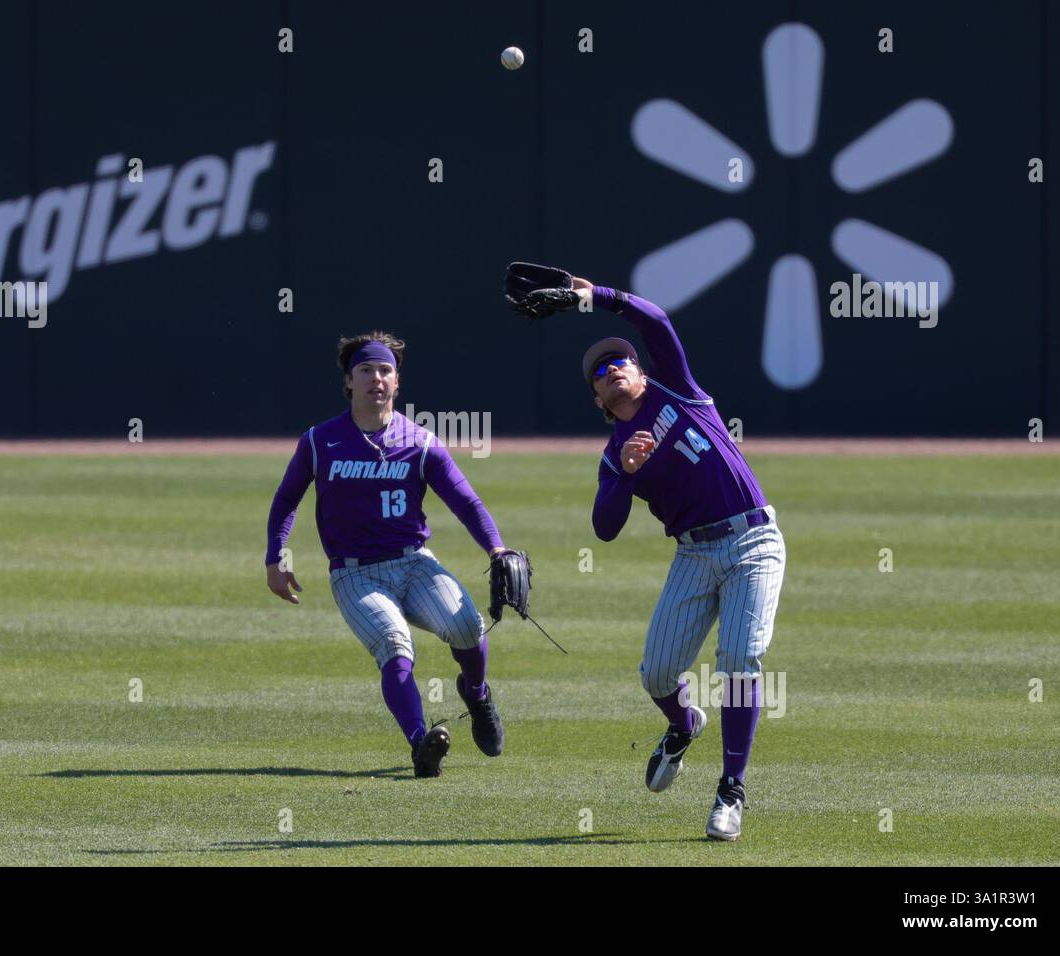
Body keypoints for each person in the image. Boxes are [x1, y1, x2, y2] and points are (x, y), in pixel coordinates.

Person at [521, 273, 785, 841]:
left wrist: (594, 298)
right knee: (658, 673)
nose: (612, 370)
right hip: (693, 554)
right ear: (597, 400)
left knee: (739, 659)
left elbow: (656, 321)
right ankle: (684, 723)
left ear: (641, 372)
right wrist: (627, 477)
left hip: (753, 540)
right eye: (600, 372)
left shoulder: (679, 391)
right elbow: (604, 528)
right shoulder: (616, 454)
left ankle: (731, 789)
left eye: (620, 362)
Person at [264, 331, 511, 778]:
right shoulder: (321, 441)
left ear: (397, 382)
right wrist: (274, 556)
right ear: (348, 382)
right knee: (395, 644)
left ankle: (476, 694)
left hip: (414, 561)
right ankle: (422, 745)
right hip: (356, 574)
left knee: (467, 627)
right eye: (365, 370)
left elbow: (467, 503)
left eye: (385, 370)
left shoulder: (420, 442)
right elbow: (286, 500)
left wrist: (496, 547)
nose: (376, 378)